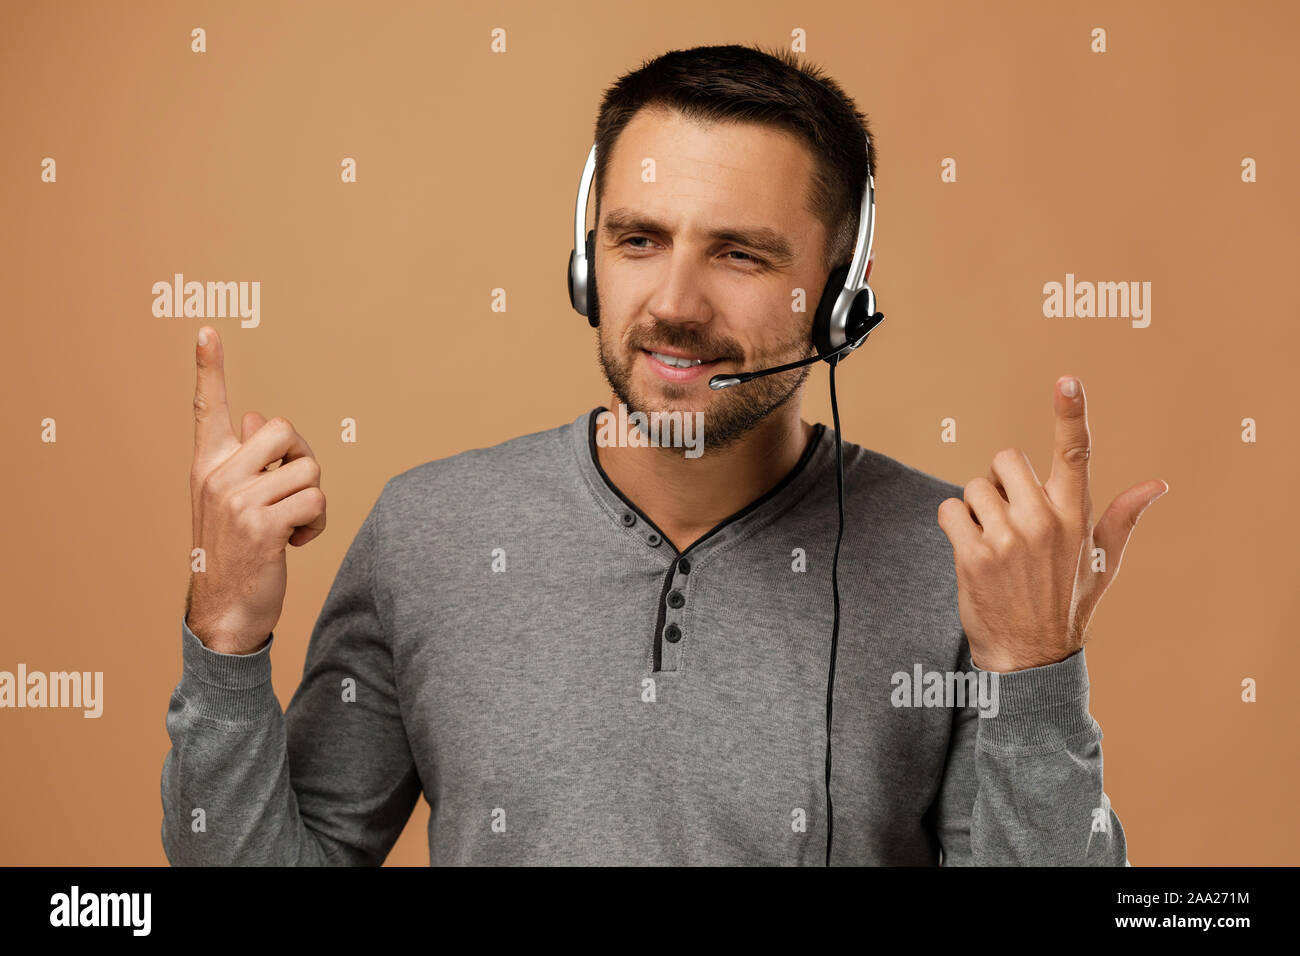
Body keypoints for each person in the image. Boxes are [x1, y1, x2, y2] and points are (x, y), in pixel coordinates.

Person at [163, 43, 1163, 865]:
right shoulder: (425, 532)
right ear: (583, 259)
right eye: (638, 239)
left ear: (839, 292)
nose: (675, 304)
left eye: (740, 252)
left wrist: (1034, 672)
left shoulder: (958, 564)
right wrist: (225, 638)